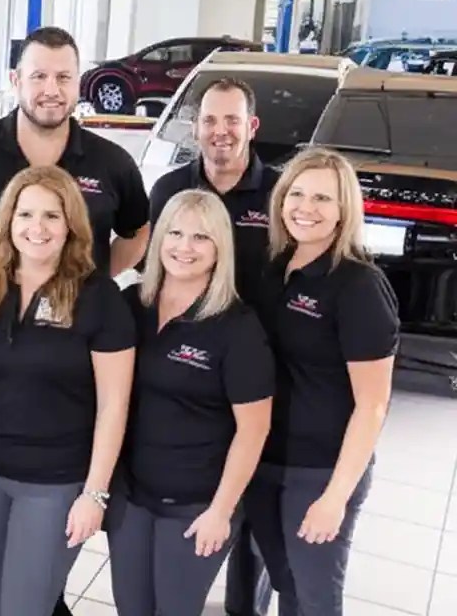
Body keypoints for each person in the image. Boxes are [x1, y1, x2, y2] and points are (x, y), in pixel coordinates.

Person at [0, 26, 150, 616]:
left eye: (64, 76)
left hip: (56, 468)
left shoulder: (112, 165)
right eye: (38, 75)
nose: (51, 88)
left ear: (79, 84)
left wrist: (81, 279)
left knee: (25, 600)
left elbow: (138, 234)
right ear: (15, 80)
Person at [0, 165, 134, 616]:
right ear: (8, 220)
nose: (37, 228)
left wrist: (95, 493)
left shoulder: (99, 297)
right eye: (25, 214)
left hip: (55, 482)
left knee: (26, 608)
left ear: (71, 225)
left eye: (52, 215)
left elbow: (114, 403)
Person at [243, 148, 398, 616]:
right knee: (286, 581)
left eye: (323, 199)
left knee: (315, 598)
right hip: (265, 459)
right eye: (297, 194)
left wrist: (336, 496)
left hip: (320, 469)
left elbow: (372, 404)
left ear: (344, 211)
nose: (305, 208)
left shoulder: (358, 285)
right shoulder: (273, 269)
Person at [145, 77, 279, 616]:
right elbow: (159, 266)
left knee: (248, 538)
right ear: (195, 127)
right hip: (185, 374)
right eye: (209, 120)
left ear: (252, 126)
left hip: (256, 371)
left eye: (232, 120)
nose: (220, 132)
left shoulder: (277, 196)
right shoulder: (169, 189)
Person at [107, 189, 274, 616]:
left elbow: (253, 430)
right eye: (175, 233)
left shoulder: (237, 327)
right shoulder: (131, 306)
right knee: (132, 608)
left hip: (195, 505)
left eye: (201, 238)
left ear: (221, 249)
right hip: (131, 497)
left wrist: (221, 511)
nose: (184, 247)